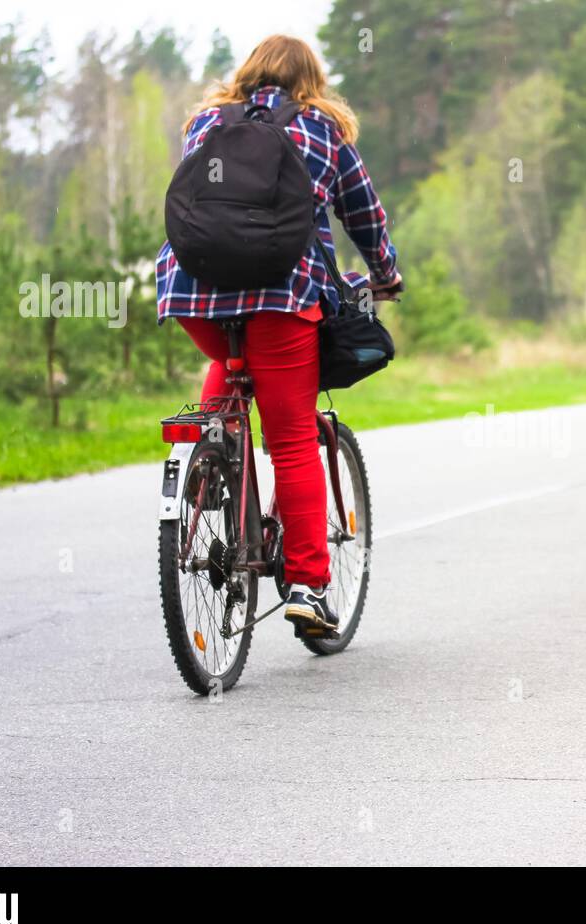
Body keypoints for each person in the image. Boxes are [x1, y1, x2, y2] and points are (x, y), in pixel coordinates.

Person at [156, 34, 401, 636]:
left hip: (194, 293)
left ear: (248, 73)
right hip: (281, 298)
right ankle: (308, 589)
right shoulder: (322, 131)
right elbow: (364, 215)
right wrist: (385, 276)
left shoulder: (207, 123)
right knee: (291, 440)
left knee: (236, 364)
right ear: (311, 81)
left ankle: (211, 462)